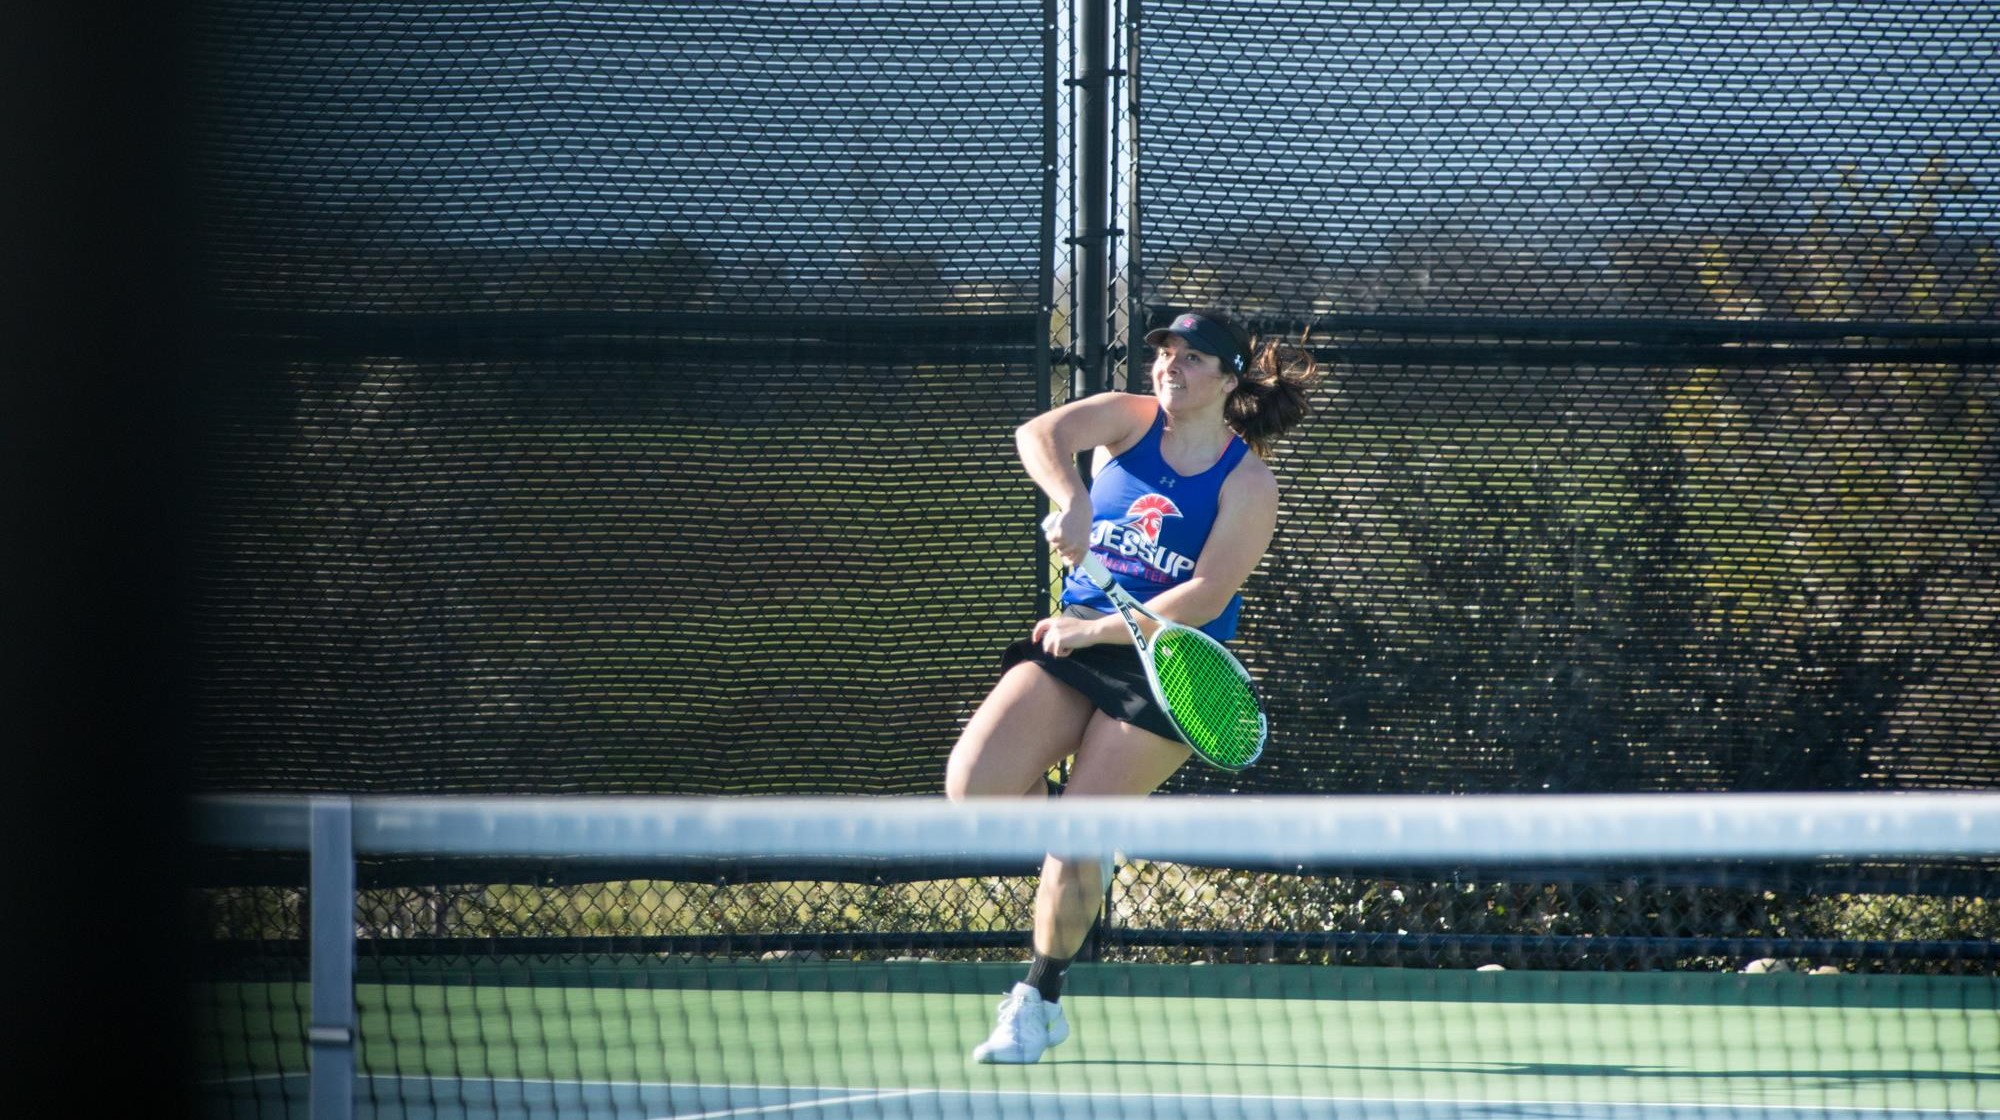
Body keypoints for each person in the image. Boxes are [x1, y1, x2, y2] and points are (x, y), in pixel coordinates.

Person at [943, 308, 1320, 1063]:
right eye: (1165, 354)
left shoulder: (1249, 483)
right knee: (972, 788)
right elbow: (1038, 435)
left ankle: (1038, 998)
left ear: (1230, 378)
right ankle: (1081, 846)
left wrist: (1099, 630)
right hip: (1078, 639)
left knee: (1079, 834)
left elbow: (1208, 594)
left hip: (1169, 667)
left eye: (1190, 358)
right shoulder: (1129, 420)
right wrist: (1071, 498)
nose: (1169, 367)